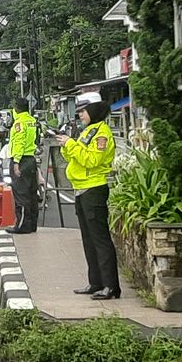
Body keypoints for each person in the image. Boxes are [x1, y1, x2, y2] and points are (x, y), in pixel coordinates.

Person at [56, 93, 120, 300]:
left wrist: (71, 144)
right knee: (87, 239)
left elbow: (91, 160)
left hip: (94, 189)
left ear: (93, 111)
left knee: (100, 239)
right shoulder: (87, 132)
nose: (80, 115)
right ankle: (96, 282)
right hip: (82, 189)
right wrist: (67, 143)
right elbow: (75, 156)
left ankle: (111, 286)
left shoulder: (102, 134)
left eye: (82, 111)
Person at [6, 97, 39, 234]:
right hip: (31, 159)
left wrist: (16, 163)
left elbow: (19, 142)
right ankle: (32, 225)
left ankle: (22, 225)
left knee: (21, 195)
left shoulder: (19, 123)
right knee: (31, 194)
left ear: (17, 109)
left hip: (22, 160)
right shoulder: (32, 121)